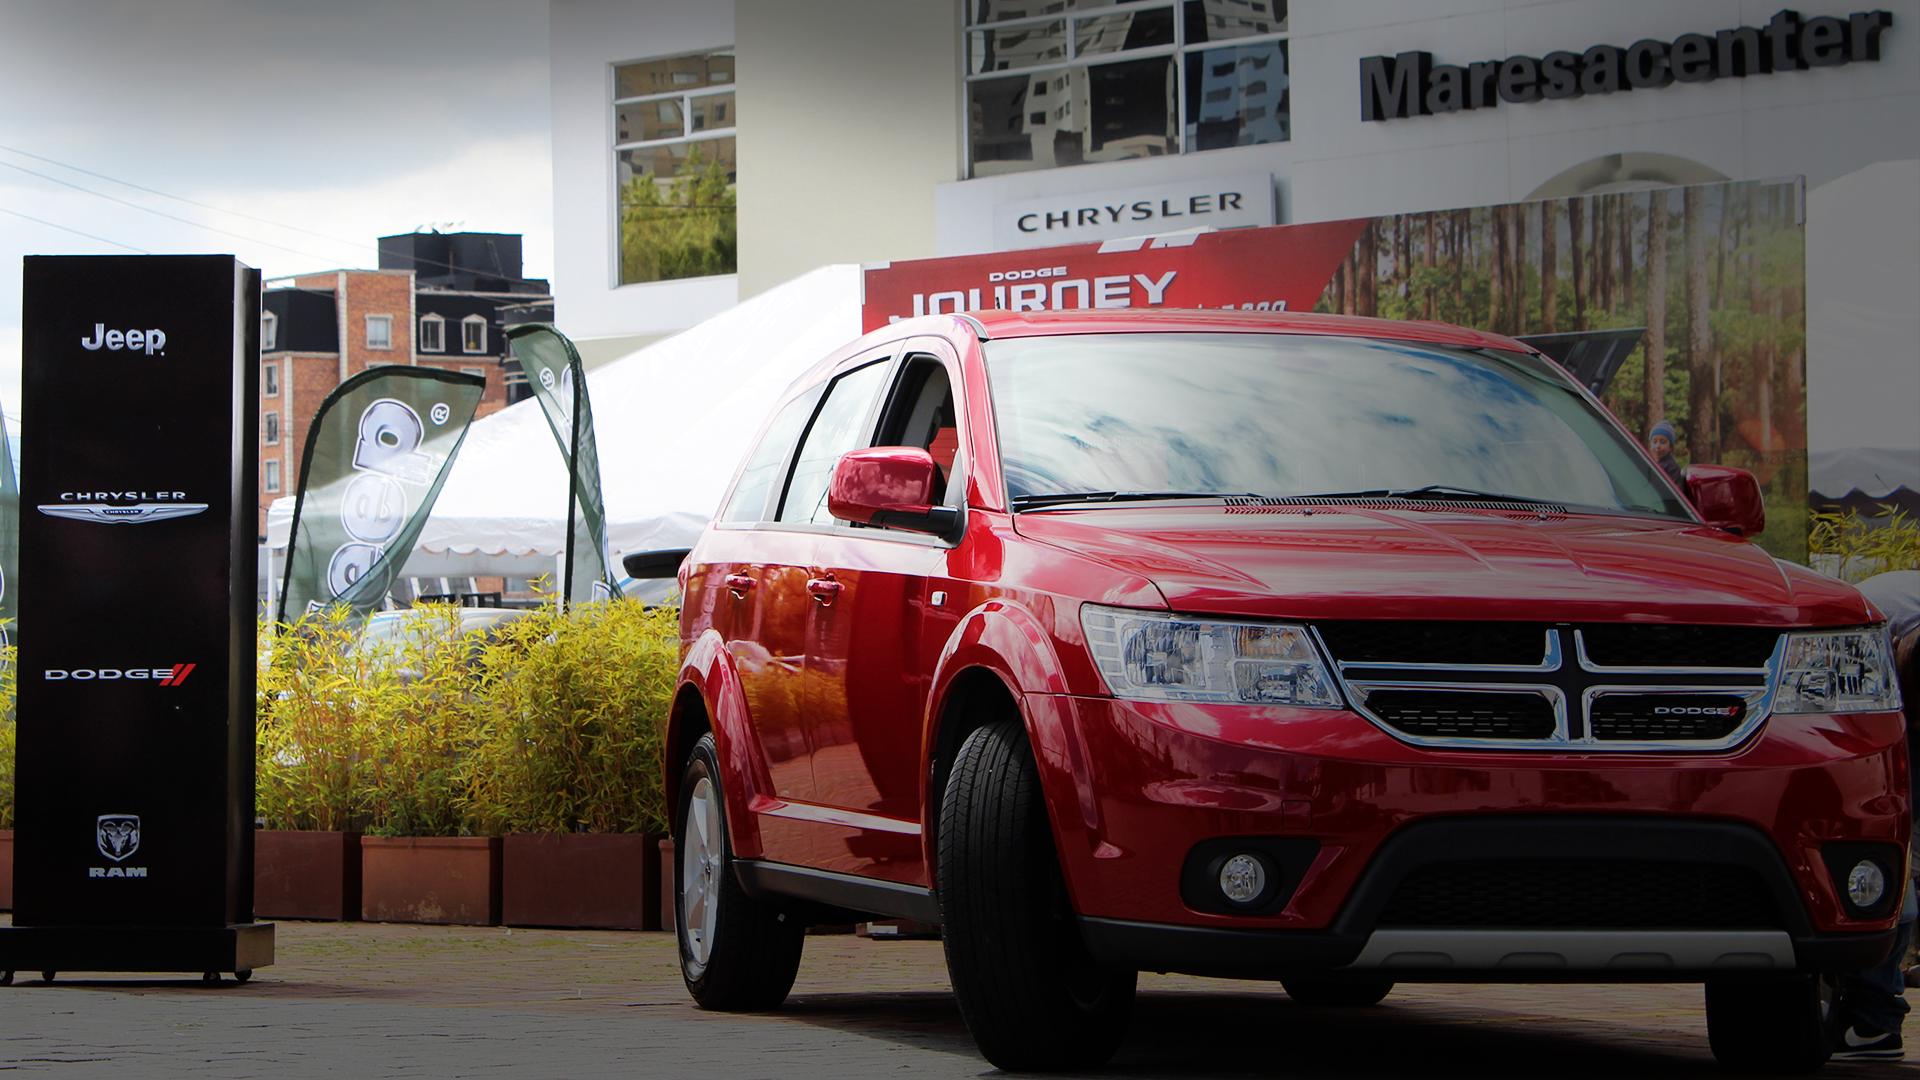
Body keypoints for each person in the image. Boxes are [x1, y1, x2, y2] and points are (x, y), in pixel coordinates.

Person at [1831, 570, 1920, 1061]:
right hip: (1864, 724)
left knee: (1899, 879)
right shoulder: (1865, 620)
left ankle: (1872, 1017)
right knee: (1884, 866)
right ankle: (1871, 1014)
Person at [1647, 420, 1685, 487]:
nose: (1658, 446)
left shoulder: (1672, 467)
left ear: (1670, 447)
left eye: (1663, 442)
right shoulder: (1648, 462)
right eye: (1655, 442)